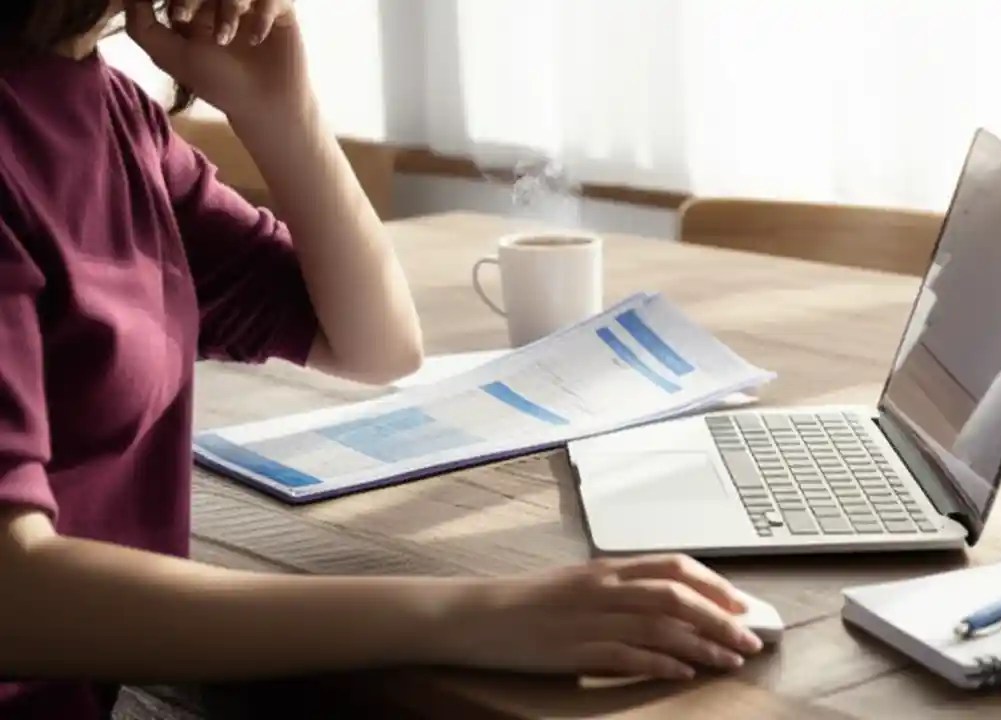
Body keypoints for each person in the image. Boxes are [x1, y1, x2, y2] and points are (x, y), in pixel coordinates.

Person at [0, 1, 763, 717]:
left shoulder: (110, 112)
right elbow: (14, 592)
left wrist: (282, 110)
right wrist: (478, 613)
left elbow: (374, 342)